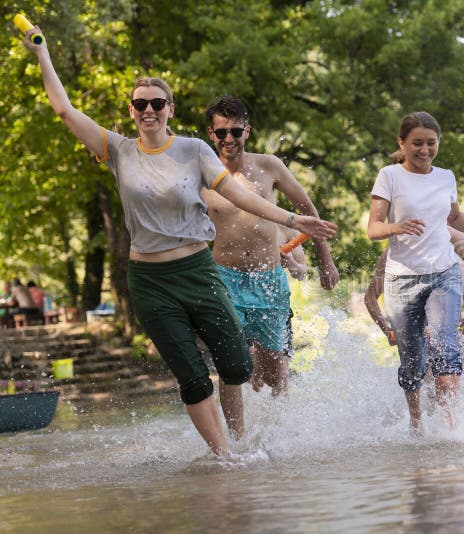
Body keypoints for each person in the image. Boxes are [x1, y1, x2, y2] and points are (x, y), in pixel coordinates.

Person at [22, 27, 336, 455]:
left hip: (196, 269)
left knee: (238, 366)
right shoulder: (116, 149)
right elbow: (63, 109)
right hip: (150, 280)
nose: (147, 110)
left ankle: (252, 437)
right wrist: (41, 54)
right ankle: (226, 455)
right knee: (191, 374)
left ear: (169, 108)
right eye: (140, 104)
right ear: (132, 111)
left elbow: (239, 195)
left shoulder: (194, 150)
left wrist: (291, 218)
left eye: (156, 103)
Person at [201, 96, 338, 436]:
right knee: (233, 364)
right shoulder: (201, 175)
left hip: (268, 279)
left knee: (274, 369)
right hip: (224, 278)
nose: (228, 139)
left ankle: (278, 437)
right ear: (211, 134)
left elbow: (306, 208)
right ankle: (234, 442)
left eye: (235, 131)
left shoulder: (269, 166)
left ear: (247, 131)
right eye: (221, 133)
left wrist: (325, 260)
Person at [367, 111, 464, 434]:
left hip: (444, 273)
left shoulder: (446, 177)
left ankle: (449, 426)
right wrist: (397, 227)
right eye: (417, 143)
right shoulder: (389, 176)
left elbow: (454, 218)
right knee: (413, 360)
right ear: (402, 143)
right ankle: (417, 423)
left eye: (431, 143)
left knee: (446, 346)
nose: (425, 150)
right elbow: (373, 229)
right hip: (402, 278)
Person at [364, 227, 464, 369]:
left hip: (452, 335)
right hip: (418, 334)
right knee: (424, 384)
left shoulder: (458, 251)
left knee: (457, 387)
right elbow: (370, 297)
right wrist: (387, 330)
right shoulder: (394, 252)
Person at [278, 226, 309, 359]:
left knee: (280, 370)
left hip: (277, 304)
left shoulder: (286, 228)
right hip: (237, 298)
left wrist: (291, 263)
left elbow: (301, 273)